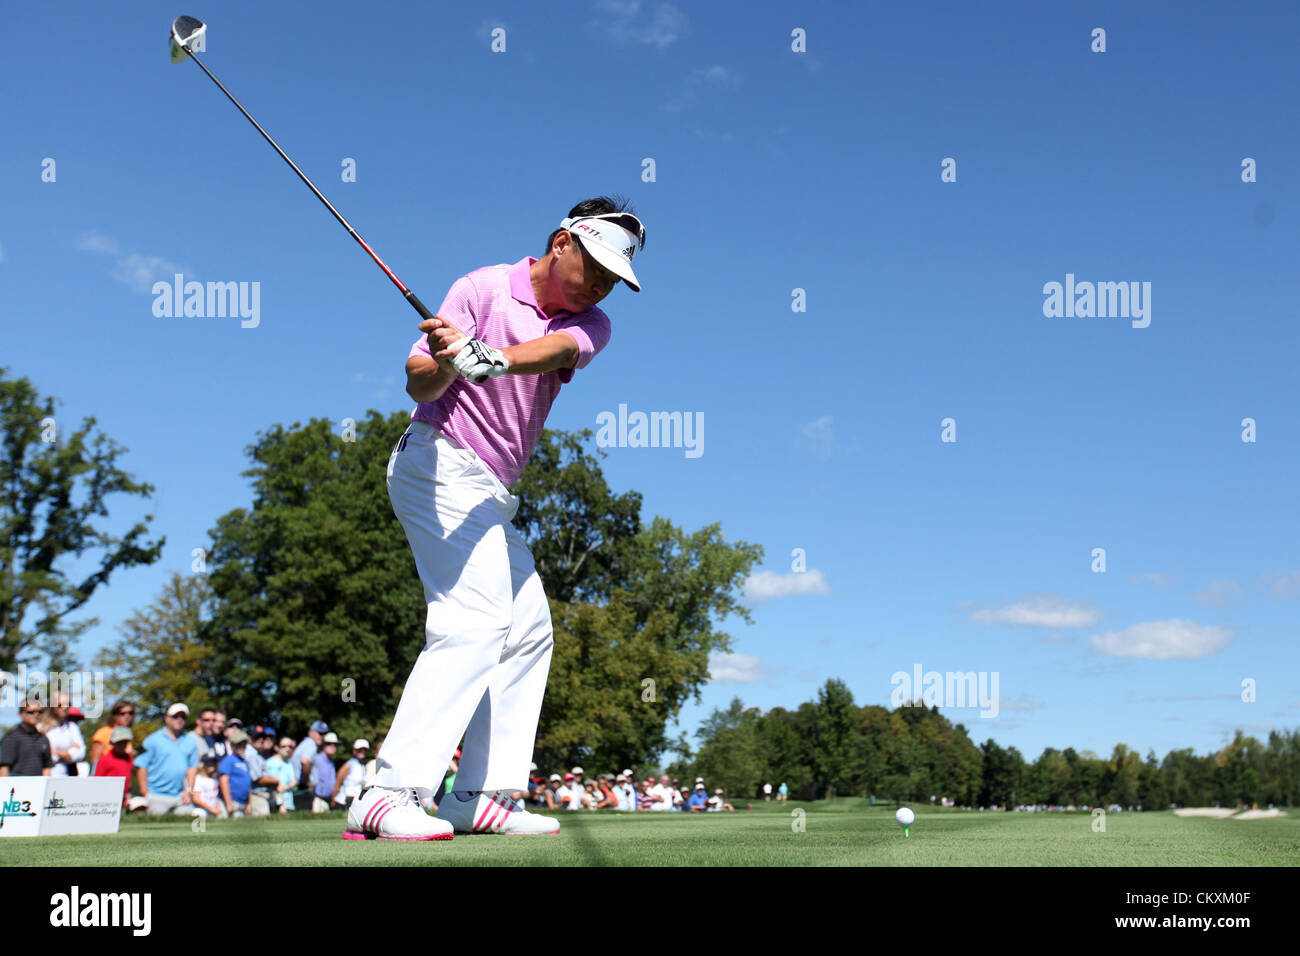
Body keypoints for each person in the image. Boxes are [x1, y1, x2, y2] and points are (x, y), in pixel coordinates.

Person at [344, 198, 644, 842]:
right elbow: (418, 385)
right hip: (437, 462)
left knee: (529, 627)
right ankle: (388, 791)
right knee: (475, 620)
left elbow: (555, 347)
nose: (600, 284)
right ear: (562, 241)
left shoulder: (594, 323)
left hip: (491, 491)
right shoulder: (481, 286)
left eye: (612, 278)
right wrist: (450, 358)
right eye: (595, 265)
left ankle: (479, 795)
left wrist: (495, 357)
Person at [134, 703, 199, 815]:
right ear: (167, 719)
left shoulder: (190, 741)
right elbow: (142, 766)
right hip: (156, 795)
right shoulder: (152, 740)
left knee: (191, 818)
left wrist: (189, 791)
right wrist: (145, 792)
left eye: (183, 717)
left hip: (180, 797)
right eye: (175, 716)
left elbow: (192, 769)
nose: (179, 719)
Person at [0, 697, 54, 776]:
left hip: (38, 786)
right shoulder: (11, 737)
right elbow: (4, 768)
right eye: (31, 712)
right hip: (17, 785)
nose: (36, 715)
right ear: (21, 714)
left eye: (40, 712)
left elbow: (47, 768)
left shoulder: (43, 739)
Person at [42, 695, 86, 777]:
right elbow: (43, 754)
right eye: (60, 705)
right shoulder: (42, 727)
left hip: (69, 775)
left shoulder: (72, 727)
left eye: (68, 704)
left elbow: (81, 753)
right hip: (49, 775)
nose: (64, 708)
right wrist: (68, 752)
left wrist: (57, 752)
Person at [93, 726, 136, 806]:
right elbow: (97, 782)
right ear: (113, 743)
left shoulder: (129, 759)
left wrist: (128, 796)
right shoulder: (104, 760)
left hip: (123, 801)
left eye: (124, 742)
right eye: (119, 743)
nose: (122, 745)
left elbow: (128, 781)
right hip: (106, 800)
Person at [243, 726, 281, 816]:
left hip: (262, 794)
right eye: (256, 737)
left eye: (262, 737)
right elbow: (257, 778)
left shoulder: (256, 752)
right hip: (256, 795)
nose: (260, 739)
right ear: (249, 739)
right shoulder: (251, 753)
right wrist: (276, 780)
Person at [90, 700, 136, 772]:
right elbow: (95, 761)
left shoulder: (128, 734)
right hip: (106, 778)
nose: (127, 716)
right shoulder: (103, 732)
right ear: (115, 715)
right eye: (122, 713)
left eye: (130, 713)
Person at [218, 728, 253, 817]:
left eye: (243, 744)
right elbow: (223, 781)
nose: (241, 747)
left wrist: (249, 803)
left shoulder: (245, 762)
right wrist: (229, 803)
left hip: (242, 803)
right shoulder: (228, 760)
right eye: (238, 745)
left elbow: (248, 784)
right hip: (231, 802)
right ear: (232, 745)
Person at [332, 739, 368, 809]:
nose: (362, 752)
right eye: (359, 749)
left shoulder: (363, 766)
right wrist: (333, 800)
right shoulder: (348, 765)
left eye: (364, 750)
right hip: (345, 800)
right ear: (354, 751)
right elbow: (338, 783)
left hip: (356, 800)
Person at [266, 737, 298, 814]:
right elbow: (277, 787)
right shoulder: (271, 763)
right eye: (284, 746)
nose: (288, 749)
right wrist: (281, 805)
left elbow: (294, 783)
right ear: (277, 748)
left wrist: (286, 786)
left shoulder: (288, 763)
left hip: (289, 804)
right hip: (278, 805)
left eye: (290, 747)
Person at [313, 732, 339, 813]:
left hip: (327, 800)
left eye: (335, 744)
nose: (332, 746)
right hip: (317, 799)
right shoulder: (317, 759)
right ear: (323, 745)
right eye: (329, 744)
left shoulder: (331, 762)